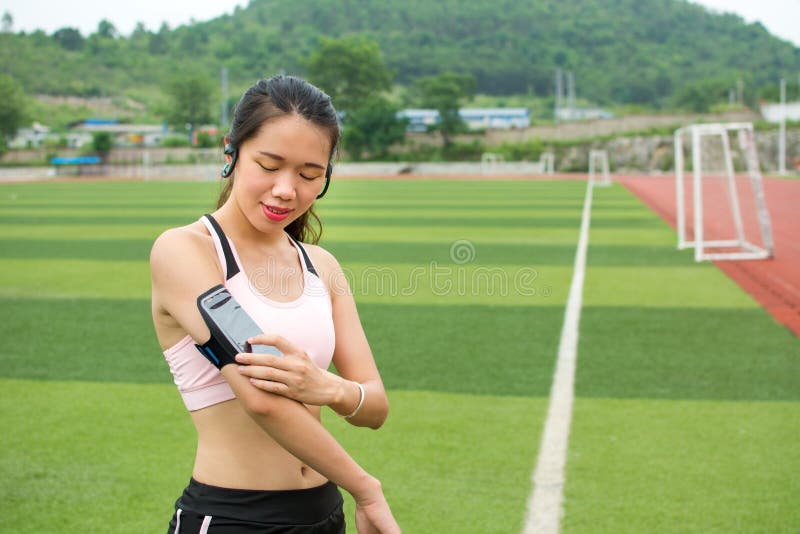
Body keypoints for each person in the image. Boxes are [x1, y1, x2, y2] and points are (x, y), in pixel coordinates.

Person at [150, 75, 400, 533]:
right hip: (234, 517)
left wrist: (328, 389)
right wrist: (365, 488)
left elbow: (376, 406)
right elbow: (260, 398)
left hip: (324, 514)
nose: (287, 190)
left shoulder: (321, 266)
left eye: (309, 175)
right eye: (269, 165)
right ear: (231, 152)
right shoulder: (185, 251)